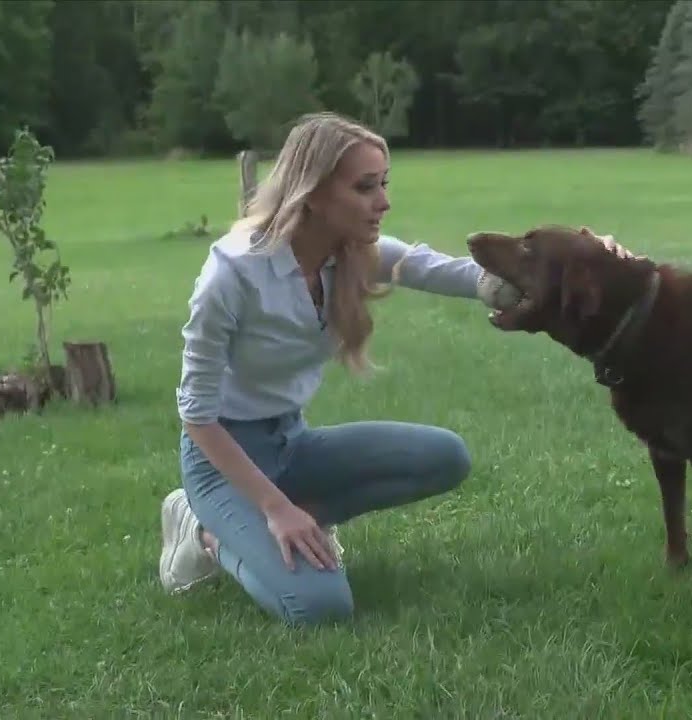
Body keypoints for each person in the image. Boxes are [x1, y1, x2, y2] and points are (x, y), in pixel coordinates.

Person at [159, 111, 632, 626]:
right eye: (365, 188)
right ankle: (202, 530)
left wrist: (593, 260)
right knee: (319, 607)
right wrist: (275, 509)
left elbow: (442, 269)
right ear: (313, 193)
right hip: (222, 461)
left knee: (445, 457)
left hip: (289, 442)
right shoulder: (231, 273)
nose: (383, 202)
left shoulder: (353, 254)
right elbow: (197, 416)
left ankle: (291, 519)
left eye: (383, 184)